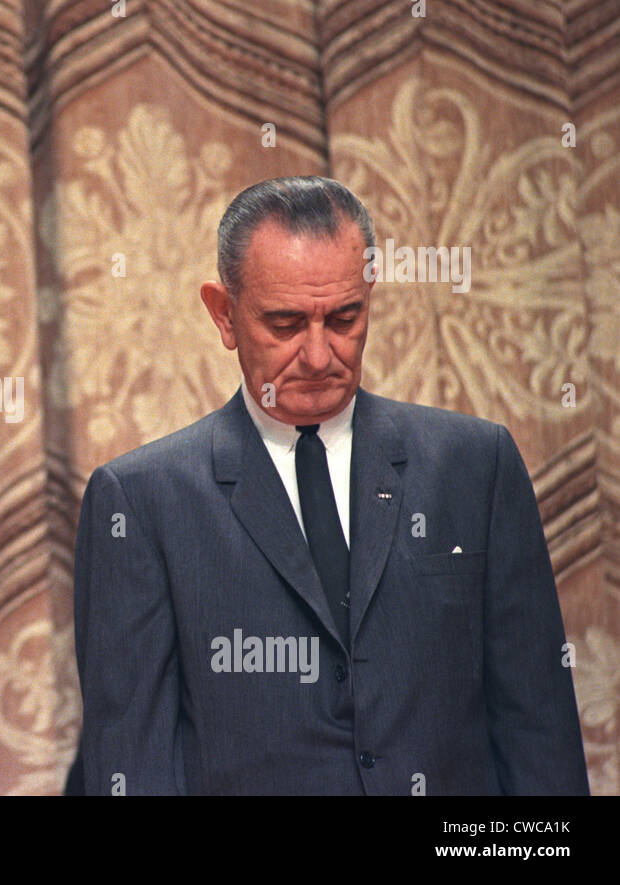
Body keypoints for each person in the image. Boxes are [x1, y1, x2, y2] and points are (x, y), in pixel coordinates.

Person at [72, 175, 589, 795]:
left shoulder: (476, 466)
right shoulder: (142, 501)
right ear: (223, 313)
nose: (320, 355)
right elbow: (134, 760)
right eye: (286, 324)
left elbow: (539, 732)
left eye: (344, 318)